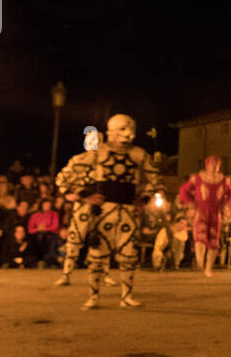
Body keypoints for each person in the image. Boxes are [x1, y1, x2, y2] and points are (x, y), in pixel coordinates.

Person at [55, 113, 160, 308]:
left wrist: (143, 199)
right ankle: (93, 296)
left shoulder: (139, 154)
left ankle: (126, 296)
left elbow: (154, 178)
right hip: (104, 212)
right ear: (110, 132)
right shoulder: (98, 153)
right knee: (97, 254)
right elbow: (64, 177)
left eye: (130, 128)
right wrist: (83, 194)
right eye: (122, 128)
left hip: (128, 211)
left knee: (129, 254)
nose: (128, 133)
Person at [178, 155, 231, 278]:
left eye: (217, 164)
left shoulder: (224, 180)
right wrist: (190, 203)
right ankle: (200, 263)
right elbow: (183, 190)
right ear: (206, 164)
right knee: (200, 237)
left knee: (214, 242)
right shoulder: (198, 178)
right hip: (201, 211)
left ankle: (208, 268)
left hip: (216, 213)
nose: (214, 166)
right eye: (211, 164)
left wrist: (227, 204)